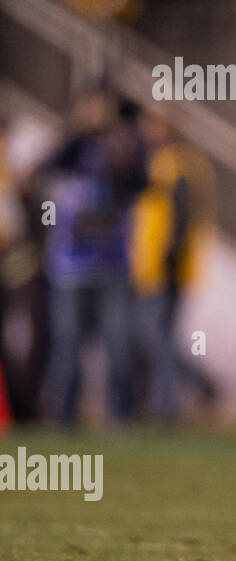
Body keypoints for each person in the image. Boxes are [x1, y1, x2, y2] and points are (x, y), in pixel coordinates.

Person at [42, 89, 145, 427]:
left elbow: (138, 183)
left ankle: (119, 415)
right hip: (70, 265)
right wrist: (79, 131)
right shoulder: (70, 147)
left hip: (112, 263)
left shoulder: (122, 147)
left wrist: (120, 148)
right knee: (67, 343)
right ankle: (65, 415)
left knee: (117, 342)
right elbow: (48, 167)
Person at [130, 111, 217, 423]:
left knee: (154, 334)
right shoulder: (162, 159)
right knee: (156, 334)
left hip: (166, 264)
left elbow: (180, 213)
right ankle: (192, 385)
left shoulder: (177, 162)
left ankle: (167, 403)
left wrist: (170, 254)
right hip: (155, 264)